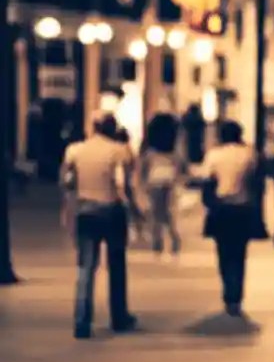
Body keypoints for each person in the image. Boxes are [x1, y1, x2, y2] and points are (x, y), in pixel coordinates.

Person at [61, 113, 139, 339]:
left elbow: (67, 182)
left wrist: (68, 210)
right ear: (112, 127)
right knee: (117, 265)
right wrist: (134, 209)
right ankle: (119, 316)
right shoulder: (119, 150)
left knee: (86, 267)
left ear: (92, 127)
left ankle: (81, 321)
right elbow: (124, 184)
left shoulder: (74, 150)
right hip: (111, 210)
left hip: (86, 211)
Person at [202, 121, 267, 316]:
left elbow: (207, 182)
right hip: (243, 208)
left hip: (222, 208)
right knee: (239, 254)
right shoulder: (249, 155)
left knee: (223, 253)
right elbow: (257, 182)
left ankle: (228, 292)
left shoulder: (214, 155)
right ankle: (236, 294)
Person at [140, 115, 184, 258]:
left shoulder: (149, 153)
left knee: (155, 213)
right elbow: (180, 168)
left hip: (154, 183)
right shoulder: (174, 154)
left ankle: (157, 242)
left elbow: (143, 170)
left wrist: (142, 185)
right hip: (169, 183)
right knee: (168, 213)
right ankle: (174, 238)